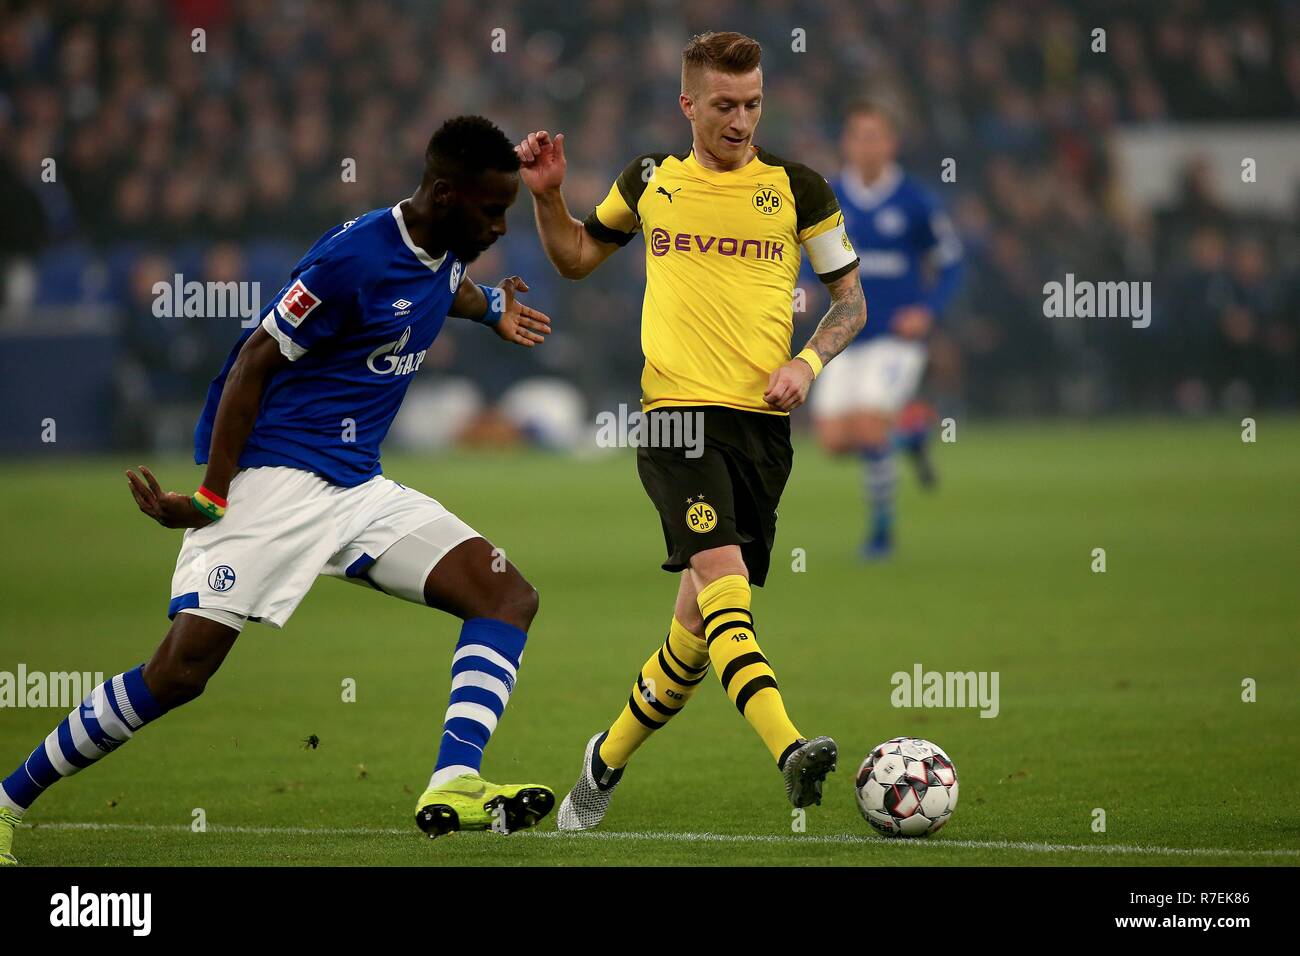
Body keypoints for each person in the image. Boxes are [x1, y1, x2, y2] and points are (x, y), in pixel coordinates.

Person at [0, 116, 556, 863]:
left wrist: (492, 309)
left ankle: (455, 779)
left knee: (506, 595)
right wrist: (212, 494)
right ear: (446, 194)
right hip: (272, 477)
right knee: (180, 672)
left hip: (357, 487)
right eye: (491, 211)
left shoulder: (445, 248)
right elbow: (252, 363)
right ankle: (7, 800)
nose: (499, 227)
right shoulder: (350, 259)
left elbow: (443, 287)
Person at [515, 31, 866, 830]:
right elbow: (574, 256)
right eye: (724, 106)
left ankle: (600, 764)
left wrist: (808, 365)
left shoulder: (799, 189)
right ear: (688, 106)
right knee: (730, 596)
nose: (741, 121)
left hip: (763, 432)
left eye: (752, 105)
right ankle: (790, 748)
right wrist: (546, 197)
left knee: (694, 641)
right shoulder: (649, 180)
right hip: (676, 421)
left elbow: (850, 300)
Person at [810, 102, 963, 559]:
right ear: (846, 143)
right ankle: (910, 434)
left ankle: (881, 533)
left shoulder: (916, 201)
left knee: (870, 427)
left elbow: (952, 263)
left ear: (891, 143)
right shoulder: (830, 197)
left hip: (896, 340)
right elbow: (806, 256)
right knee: (834, 442)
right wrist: (800, 292)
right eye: (858, 135)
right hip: (842, 335)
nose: (866, 145)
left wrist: (928, 310)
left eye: (875, 136)